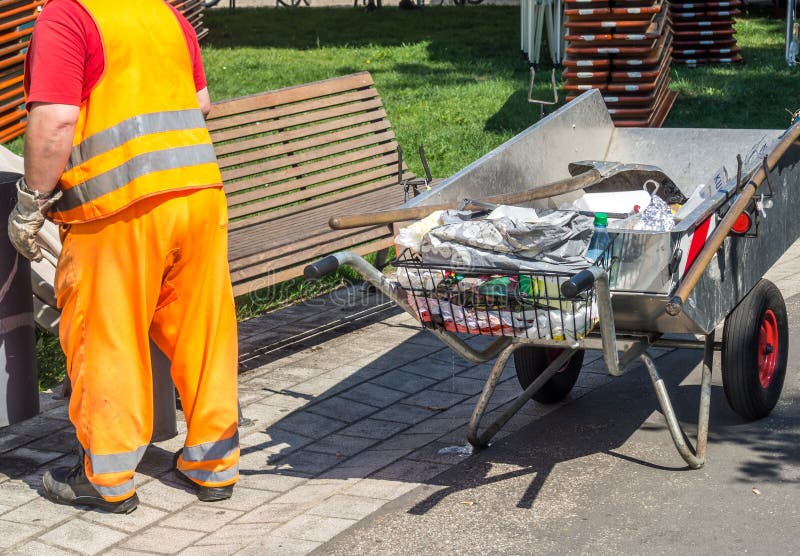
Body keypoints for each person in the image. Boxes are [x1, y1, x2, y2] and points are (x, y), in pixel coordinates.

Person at [9, 0, 240, 513]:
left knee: (106, 334)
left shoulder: (66, 17)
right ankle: (214, 464)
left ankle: (106, 479)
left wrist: (30, 202)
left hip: (119, 208)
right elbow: (199, 102)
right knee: (205, 332)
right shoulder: (164, 14)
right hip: (198, 195)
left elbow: (54, 120)